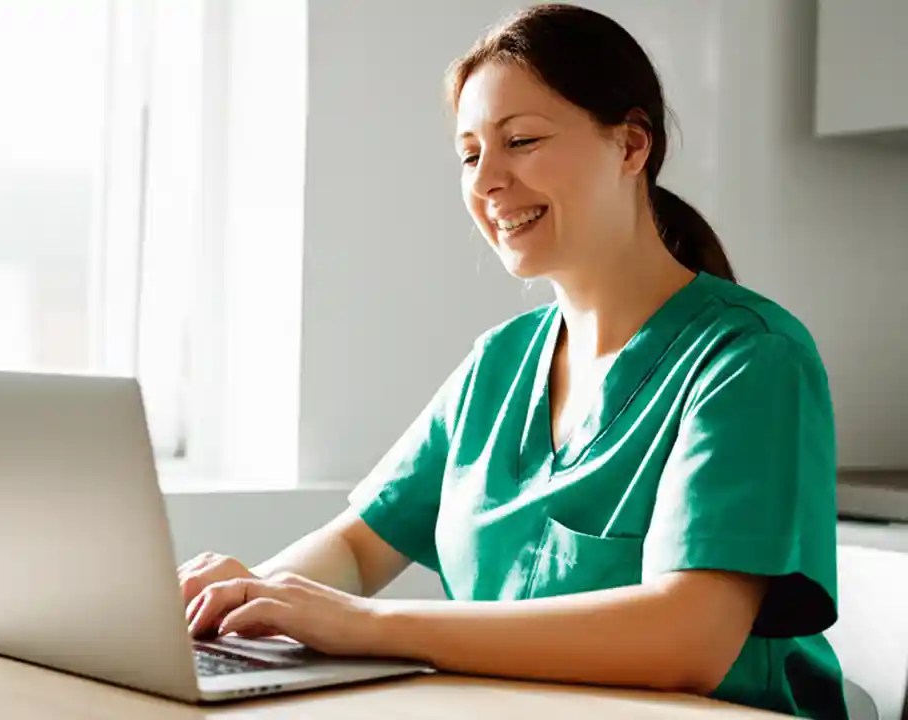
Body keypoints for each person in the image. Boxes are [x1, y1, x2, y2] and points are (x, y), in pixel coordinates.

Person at [176, 4, 845, 718]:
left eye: (520, 140)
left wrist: (365, 626)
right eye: (469, 154)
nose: (487, 180)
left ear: (630, 145)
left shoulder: (749, 360)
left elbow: (689, 638)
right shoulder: (500, 363)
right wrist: (249, 600)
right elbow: (357, 548)